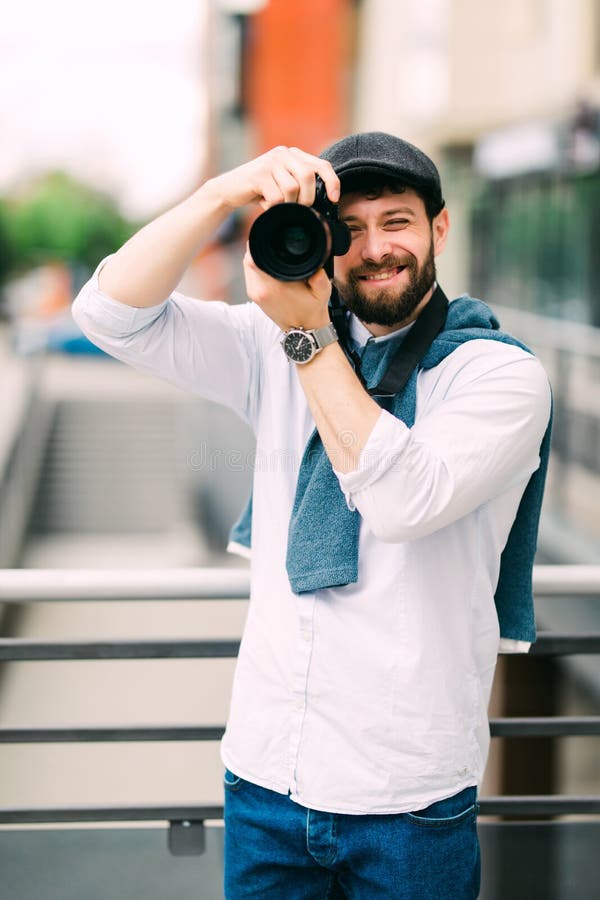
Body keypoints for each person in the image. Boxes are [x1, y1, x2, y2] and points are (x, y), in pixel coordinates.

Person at [72, 132, 552, 899]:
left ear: (440, 229)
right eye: (348, 229)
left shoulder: (496, 374)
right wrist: (222, 195)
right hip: (266, 779)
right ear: (323, 242)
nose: (373, 249)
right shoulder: (271, 346)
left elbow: (401, 498)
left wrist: (307, 335)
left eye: (395, 222)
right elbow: (109, 316)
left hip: (408, 799)